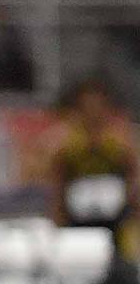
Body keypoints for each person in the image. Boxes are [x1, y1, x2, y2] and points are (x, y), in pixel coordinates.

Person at [47, 79, 140, 284]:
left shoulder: (119, 142)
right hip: (78, 221)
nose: (93, 112)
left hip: (116, 222)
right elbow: (58, 183)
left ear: (107, 109)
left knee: (123, 269)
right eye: (88, 106)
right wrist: (58, 221)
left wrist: (135, 210)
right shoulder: (68, 145)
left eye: (98, 106)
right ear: (78, 110)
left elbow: (132, 176)